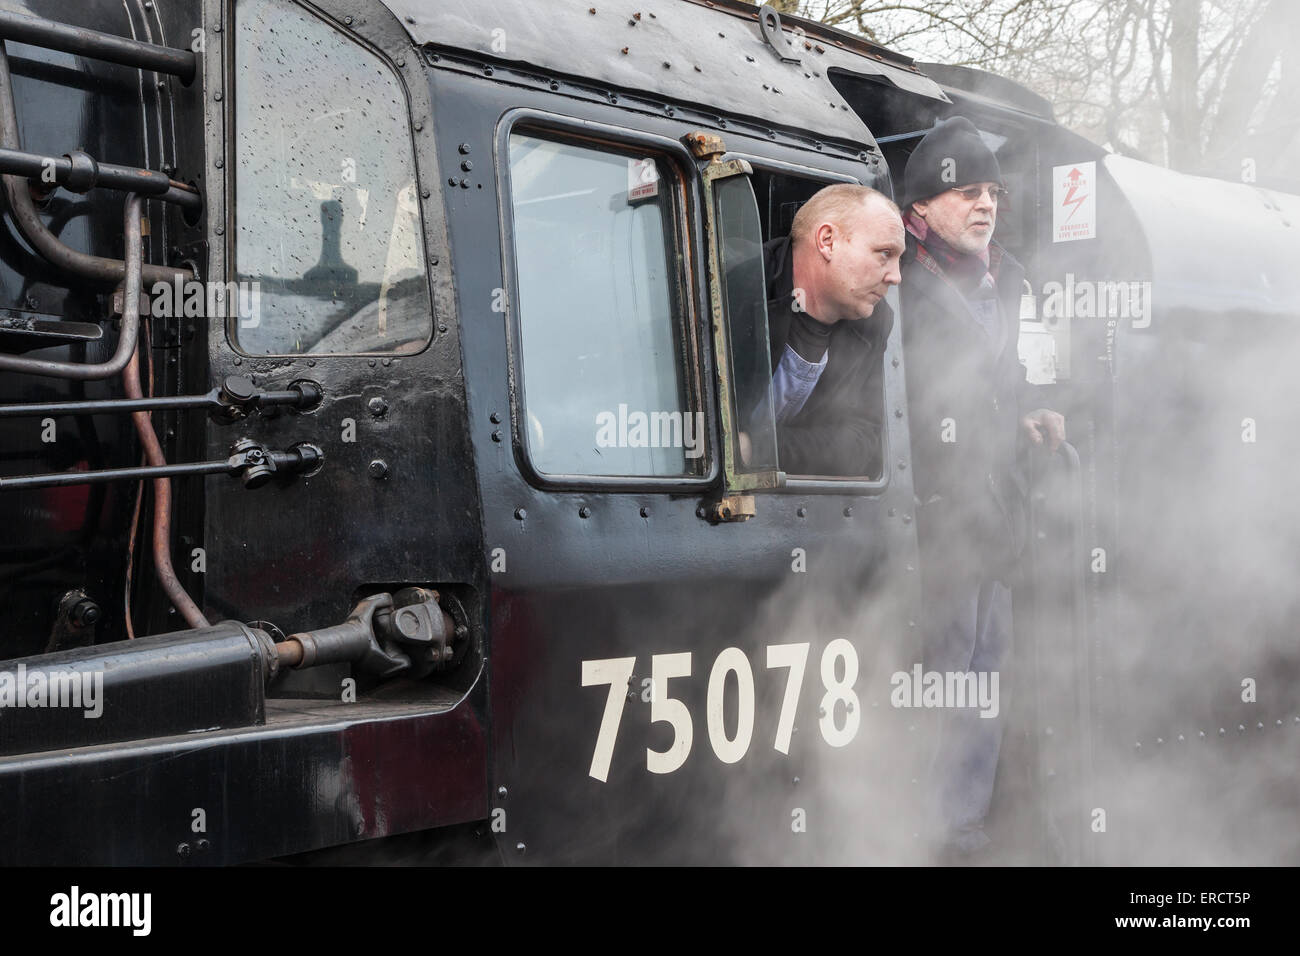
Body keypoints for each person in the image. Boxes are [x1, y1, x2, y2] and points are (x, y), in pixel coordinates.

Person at [898, 116, 1065, 858]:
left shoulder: (1012, 277)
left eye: (991, 191)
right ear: (920, 207)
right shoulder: (894, 275)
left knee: (984, 674)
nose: (986, 204)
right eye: (966, 191)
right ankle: (914, 826)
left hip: (994, 518)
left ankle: (962, 829)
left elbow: (1009, 374)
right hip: (926, 524)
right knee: (936, 678)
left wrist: (1031, 405)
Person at [750, 184, 903, 477]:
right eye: (885, 253)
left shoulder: (876, 321)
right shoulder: (737, 283)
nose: (895, 276)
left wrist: (756, 448)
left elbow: (859, 442)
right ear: (828, 241)